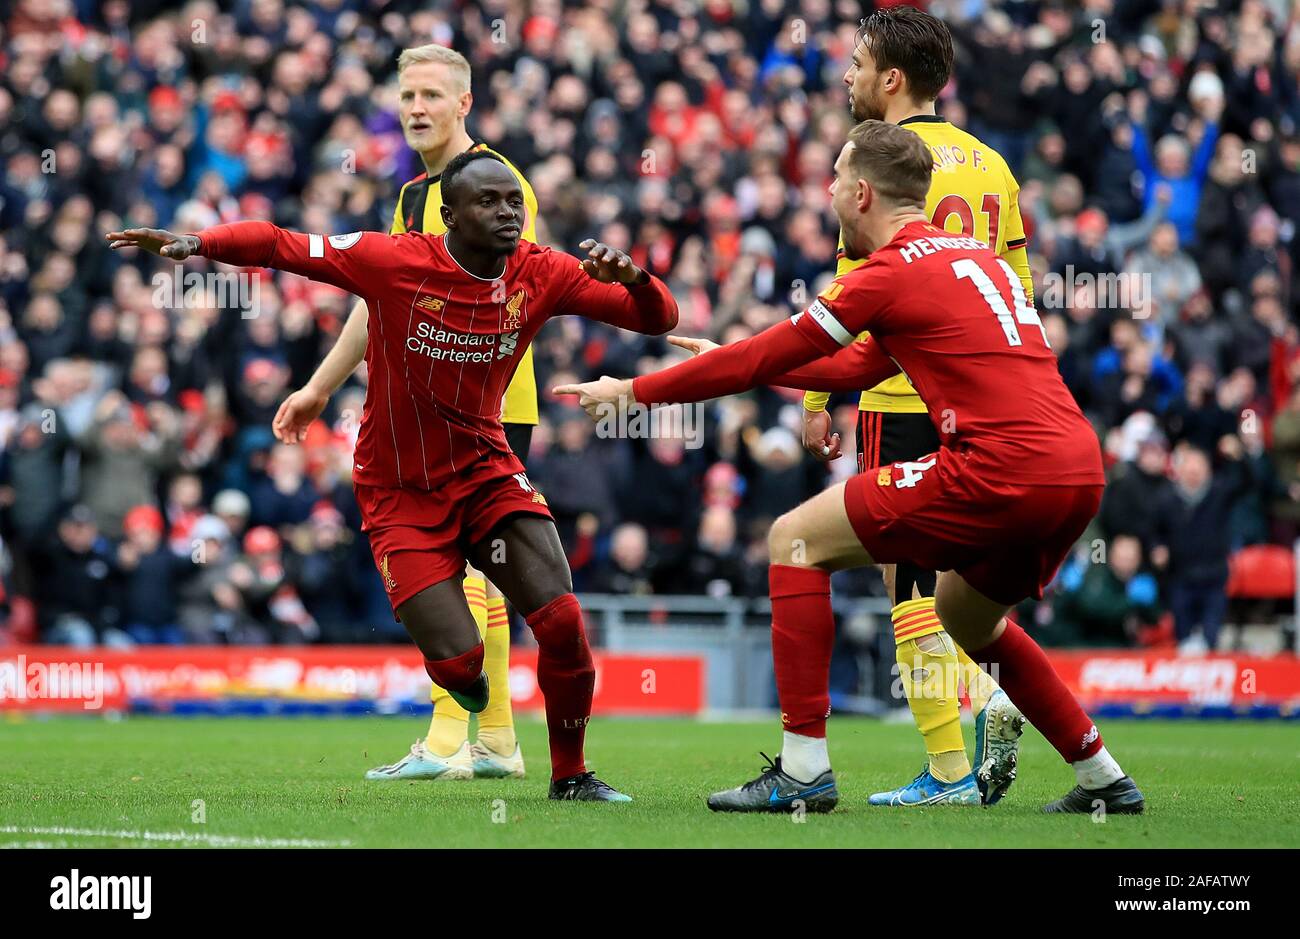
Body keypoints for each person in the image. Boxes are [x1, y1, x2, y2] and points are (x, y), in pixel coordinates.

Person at [557, 120, 1144, 815]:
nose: (829, 191)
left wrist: (633, 391)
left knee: (794, 541)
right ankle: (1103, 774)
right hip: (1075, 469)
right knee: (966, 616)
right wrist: (731, 352)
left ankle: (804, 768)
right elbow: (856, 364)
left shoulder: (890, 270)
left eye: (835, 178)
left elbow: (772, 353)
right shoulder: (971, 258)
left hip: (999, 465)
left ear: (861, 192)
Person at [106, 147, 678, 801]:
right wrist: (197, 242)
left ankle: (571, 774)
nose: (508, 212)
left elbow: (660, 318)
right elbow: (285, 245)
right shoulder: (396, 261)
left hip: (487, 471)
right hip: (397, 488)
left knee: (563, 619)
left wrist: (635, 279)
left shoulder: (541, 271)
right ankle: (467, 694)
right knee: (465, 669)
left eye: (514, 201)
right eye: (488, 201)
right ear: (449, 215)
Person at [272, 44, 542, 781]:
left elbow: (523, 290)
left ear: (464, 105)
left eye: (430, 94)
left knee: (459, 572)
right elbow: (377, 303)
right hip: (435, 410)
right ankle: (498, 742)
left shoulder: (496, 183)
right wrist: (321, 385)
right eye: (406, 95)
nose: (416, 107)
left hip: (484, 406)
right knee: (470, 572)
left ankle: (449, 737)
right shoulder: (413, 195)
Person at [799, 6, 1026, 807]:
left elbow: (848, 293)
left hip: (898, 394)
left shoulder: (874, 161)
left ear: (892, 78)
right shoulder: (995, 165)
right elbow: (1016, 295)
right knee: (948, 586)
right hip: (979, 401)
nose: (850, 76)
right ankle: (971, 731)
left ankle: (956, 750)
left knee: (907, 588)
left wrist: (820, 391)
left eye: (859, 63)